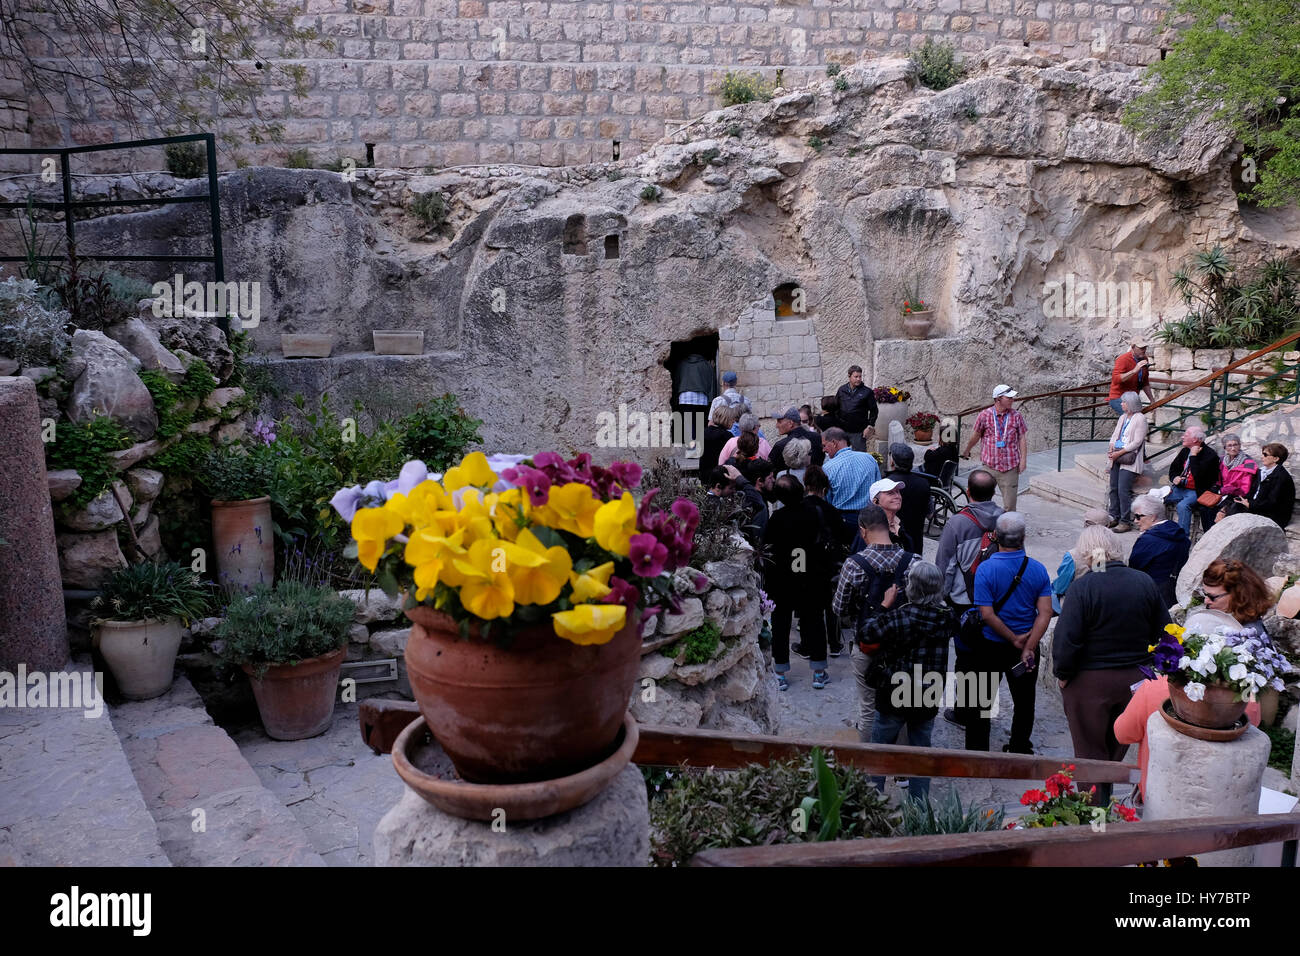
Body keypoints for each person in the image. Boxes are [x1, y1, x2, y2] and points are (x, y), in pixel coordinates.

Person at [1052, 526, 1170, 804]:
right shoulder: (1144, 582)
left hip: (1089, 683)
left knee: (1090, 753)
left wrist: (1063, 674)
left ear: (1086, 553)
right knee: (1117, 748)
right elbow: (1166, 632)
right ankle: (1106, 804)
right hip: (1135, 681)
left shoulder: (1083, 587)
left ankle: (1094, 820)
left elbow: (1067, 639)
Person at [860, 560, 956, 803]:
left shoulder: (899, 616)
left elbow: (867, 633)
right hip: (928, 693)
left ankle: (873, 805)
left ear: (911, 587)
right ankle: (919, 809)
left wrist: (883, 605)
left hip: (895, 692)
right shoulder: (947, 619)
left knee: (879, 750)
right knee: (921, 753)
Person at [960, 512, 1052, 754]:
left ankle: (977, 750)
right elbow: (1045, 613)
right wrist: (1028, 646)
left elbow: (987, 614)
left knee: (980, 699)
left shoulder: (986, 569)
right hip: (1026, 647)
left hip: (990, 645)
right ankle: (1020, 747)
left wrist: (1011, 638)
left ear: (996, 537)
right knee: (1024, 701)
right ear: (1023, 538)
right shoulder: (1037, 569)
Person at [833, 504, 917, 740]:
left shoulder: (855, 564)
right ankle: (900, 772)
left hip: (868, 643)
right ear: (888, 526)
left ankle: (869, 768)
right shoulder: (913, 561)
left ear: (863, 530)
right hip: (903, 644)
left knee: (868, 707)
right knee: (900, 706)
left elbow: (839, 607)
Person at [1116, 674, 1261, 806]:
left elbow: (1122, 733)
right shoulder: (1245, 696)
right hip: (1219, 809)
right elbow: (1253, 725)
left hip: (1154, 802)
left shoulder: (1153, 685)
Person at [761, 475, 829, 691]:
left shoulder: (776, 519)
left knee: (780, 624)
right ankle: (818, 672)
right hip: (810, 577)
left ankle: (780, 673)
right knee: (815, 621)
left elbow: (767, 550)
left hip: (782, 581)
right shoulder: (815, 513)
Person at [803, 464, 854, 659]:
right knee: (831, 605)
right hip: (828, 562)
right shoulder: (831, 511)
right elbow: (842, 537)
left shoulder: (799, 508)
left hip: (805, 562)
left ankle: (808, 645)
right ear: (825, 489)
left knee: (808, 605)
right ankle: (834, 644)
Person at [960, 384, 1027, 511]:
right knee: (980, 502)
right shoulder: (984, 415)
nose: (1012, 400)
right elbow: (976, 435)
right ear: (998, 399)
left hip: (1010, 467)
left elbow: (1022, 438)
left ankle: (1007, 529)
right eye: (1009, 398)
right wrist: (967, 450)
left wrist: (1023, 460)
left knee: (1010, 505)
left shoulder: (1016, 416)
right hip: (989, 466)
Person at [1128, 489, 1190, 609]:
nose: (1135, 521)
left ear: (1153, 517)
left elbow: (1134, 567)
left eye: (1138, 516)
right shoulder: (1178, 533)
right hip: (1172, 592)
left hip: (1148, 593)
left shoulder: (1148, 540)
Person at [1197, 559, 1277, 643]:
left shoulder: (1249, 639)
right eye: (1205, 594)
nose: (1206, 601)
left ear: (1238, 596)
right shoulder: (1234, 621)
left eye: (1212, 597)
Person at [1220, 442, 1295, 528]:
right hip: (1257, 506)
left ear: (1275, 459)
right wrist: (1243, 500)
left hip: (1272, 514)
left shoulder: (1281, 477)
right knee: (1230, 508)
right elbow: (1252, 491)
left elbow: (1272, 502)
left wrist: (1250, 505)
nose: (1262, 457)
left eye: (1265, 455)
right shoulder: (1262, 471)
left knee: (1235, 516)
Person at [821, 426, 881, 532]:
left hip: (843, 521)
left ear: (834, 443)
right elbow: (878, 489)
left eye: (825, 445)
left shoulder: (827, 468)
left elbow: (827, 500)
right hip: (870, 519)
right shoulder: (869, 458)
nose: (823, 449)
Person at [1165, 425, 1220, 535]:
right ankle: (1160, 531)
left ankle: (1183, 539)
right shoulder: (1185, 451)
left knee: (1183, 506)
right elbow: (1173, 469)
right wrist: (1174, 477)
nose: (1182, 437)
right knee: (1158, 498)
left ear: (1195, 439)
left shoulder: (1210, 455)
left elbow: (1198, 476)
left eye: (1185, 435)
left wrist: (1194, 456)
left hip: (1197, 491)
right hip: (1180, 488)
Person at [1106, 390, 1147, 532]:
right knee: (1113, 488)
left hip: (1129, 458)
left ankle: (1125, 521)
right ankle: (1113, 516)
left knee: (1123, 490)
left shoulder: (1140, 418)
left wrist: (1120, 453)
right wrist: (1112, 449)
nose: (1121, 404)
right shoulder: (1123, 417)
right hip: (1116, 455)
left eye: (1124, 402)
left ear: (1130, 403)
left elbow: (1137, 442)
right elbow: (1115, 435)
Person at [885, 443, 930, 551]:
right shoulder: (923, 483)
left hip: (893, 541)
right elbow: (930, 513)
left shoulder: (886, 484)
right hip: (916, 541)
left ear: (892, 462)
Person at [1208, 433, 1258, 519]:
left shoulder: (1248, 463)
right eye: (1229, 446)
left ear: (1239, 446)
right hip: (1222, 493)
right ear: (1225, 447)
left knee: (1218, 512)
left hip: (1236, 497)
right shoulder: (1222, 460)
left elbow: (1245, 489)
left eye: (1235, 445)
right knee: (1204, 507)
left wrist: (1226, 490)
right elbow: (1216, 479)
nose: (1233, 448)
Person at [836, 366, 878, 452]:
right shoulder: (841, 390)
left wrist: (869, 426)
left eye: (860, 376)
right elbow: (836, 407)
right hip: (843, 431)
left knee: (860, 456)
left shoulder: (867, 392)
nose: (858, 379)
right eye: (856, 377)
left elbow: (874, 410)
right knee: (842, 456)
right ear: (849, 376)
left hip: (859, 432)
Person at [868, 477, 914, 553]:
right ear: (875, 501)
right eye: (890, 493)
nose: (897, 496)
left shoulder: (899, 523)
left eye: (898, 492)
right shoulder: (872, 529)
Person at [1108, 339, 1154, 415]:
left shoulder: (1144, 359)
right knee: (1131, 418)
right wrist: (1133, 371)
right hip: (1119, 397)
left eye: (1145, 347)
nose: (1144, 350)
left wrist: (1151, 400)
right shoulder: (1122, 359)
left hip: (1133, 398)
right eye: (1141, 348)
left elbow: (1145, 382)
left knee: (1137, 419)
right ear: (1132, 347)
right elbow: (1116, 379)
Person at [700, 401, 738, 476]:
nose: (733, 422)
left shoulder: (704, 432)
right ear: (726, 419)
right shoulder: (727, 435)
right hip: (720, 474)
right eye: (732, 419)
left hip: (704, 473)